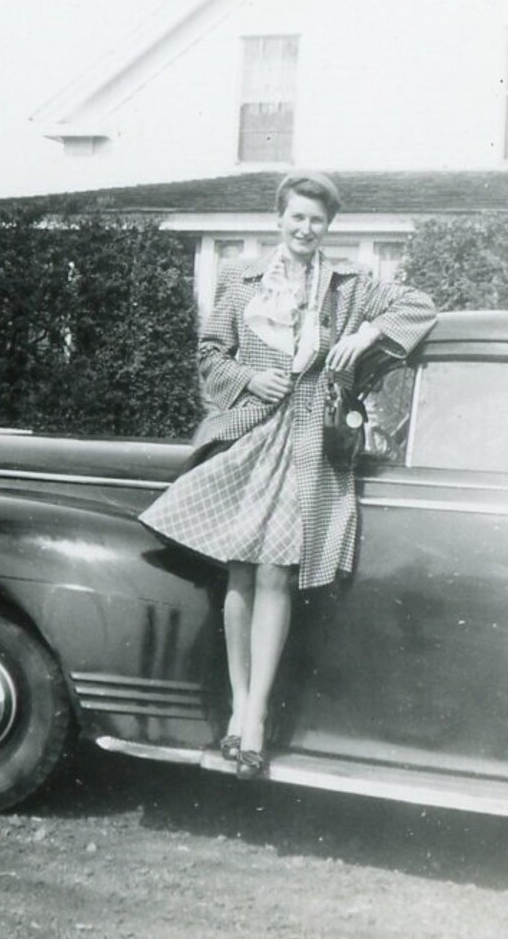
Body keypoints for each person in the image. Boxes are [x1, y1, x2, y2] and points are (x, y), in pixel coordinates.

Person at [140, 172, 436, 780]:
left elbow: (420, 306)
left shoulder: (349, 285)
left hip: (308, 445)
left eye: (317, 220)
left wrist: (367, 332)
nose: (306, 228)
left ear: (329, 227)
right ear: (279, 219)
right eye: (297, 217)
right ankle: (238, 708)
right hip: (249, 438)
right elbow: (209, 354)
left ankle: (253, 718)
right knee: (240, 573)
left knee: (276, 572)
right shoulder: (241, 279)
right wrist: (251, 378)